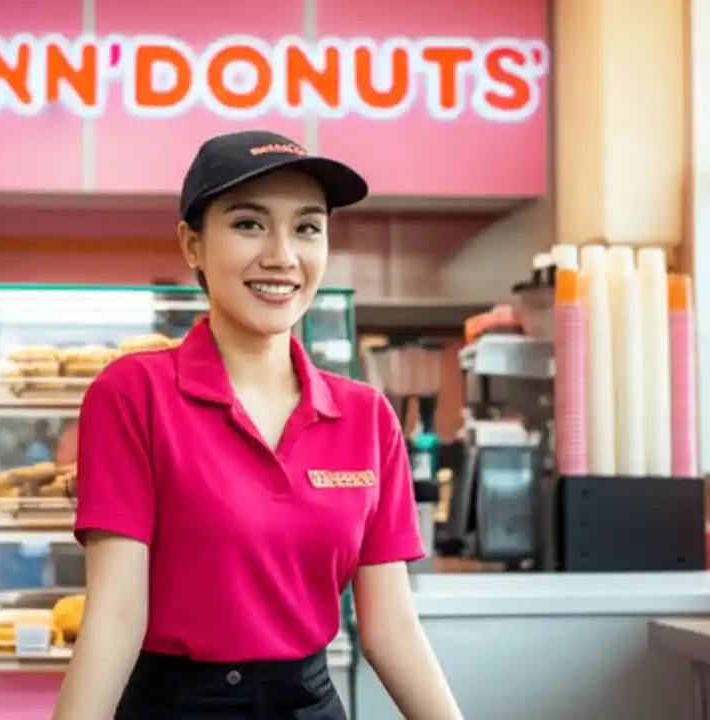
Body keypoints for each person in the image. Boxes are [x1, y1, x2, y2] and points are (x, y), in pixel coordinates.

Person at [54, 130, 462, 719]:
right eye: (249, 224)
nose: (282, 255)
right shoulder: (133, 395)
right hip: (172, 707)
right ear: (192, 245)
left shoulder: (366, 417)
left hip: (309, 704)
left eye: (307, 227)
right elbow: (116, 618)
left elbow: (391, 629)